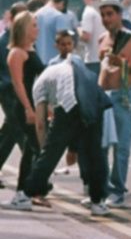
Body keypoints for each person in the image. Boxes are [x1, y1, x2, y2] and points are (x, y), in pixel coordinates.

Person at [3, 31, 112, 216]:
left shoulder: (38, 86)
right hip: (95, 98)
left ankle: (25, 195)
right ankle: (97, 201)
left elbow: (40, 125)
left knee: (50, 153)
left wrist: (43, 149)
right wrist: (73, 148)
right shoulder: (63, 68)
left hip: (69, 100)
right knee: (95, 153)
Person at [97, 0, 131, 208]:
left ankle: (117, 190)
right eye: (102, 15)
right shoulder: (102, 39)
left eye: (110, 14)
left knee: (121, 147)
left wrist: (123, 63)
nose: (106, 18)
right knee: (100, 146)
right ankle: (100, 189)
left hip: (123, 96)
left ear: (119, 14)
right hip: (104, 97)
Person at [0, 12, 46, 209]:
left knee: (30, 150)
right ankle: (27, 191)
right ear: (25, 28)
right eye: (34, 25)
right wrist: (28, 108)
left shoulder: (31, 49)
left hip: (36, 105)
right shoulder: (16, 53)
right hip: (24, 107)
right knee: (36, 148)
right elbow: (18, 84)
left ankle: (22, 194)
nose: (38, 29)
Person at [34, 0, 72, 65]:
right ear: (62, 3)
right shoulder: (59, 16)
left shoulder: (36, 14)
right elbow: (63, 39)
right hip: (56, 61)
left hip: (39, 60)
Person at [78, 0, 103, 73]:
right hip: (105, 57)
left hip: (93, 58)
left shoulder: (88, 11)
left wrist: (78, 29)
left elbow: (86, 37)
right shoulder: (103, 10)